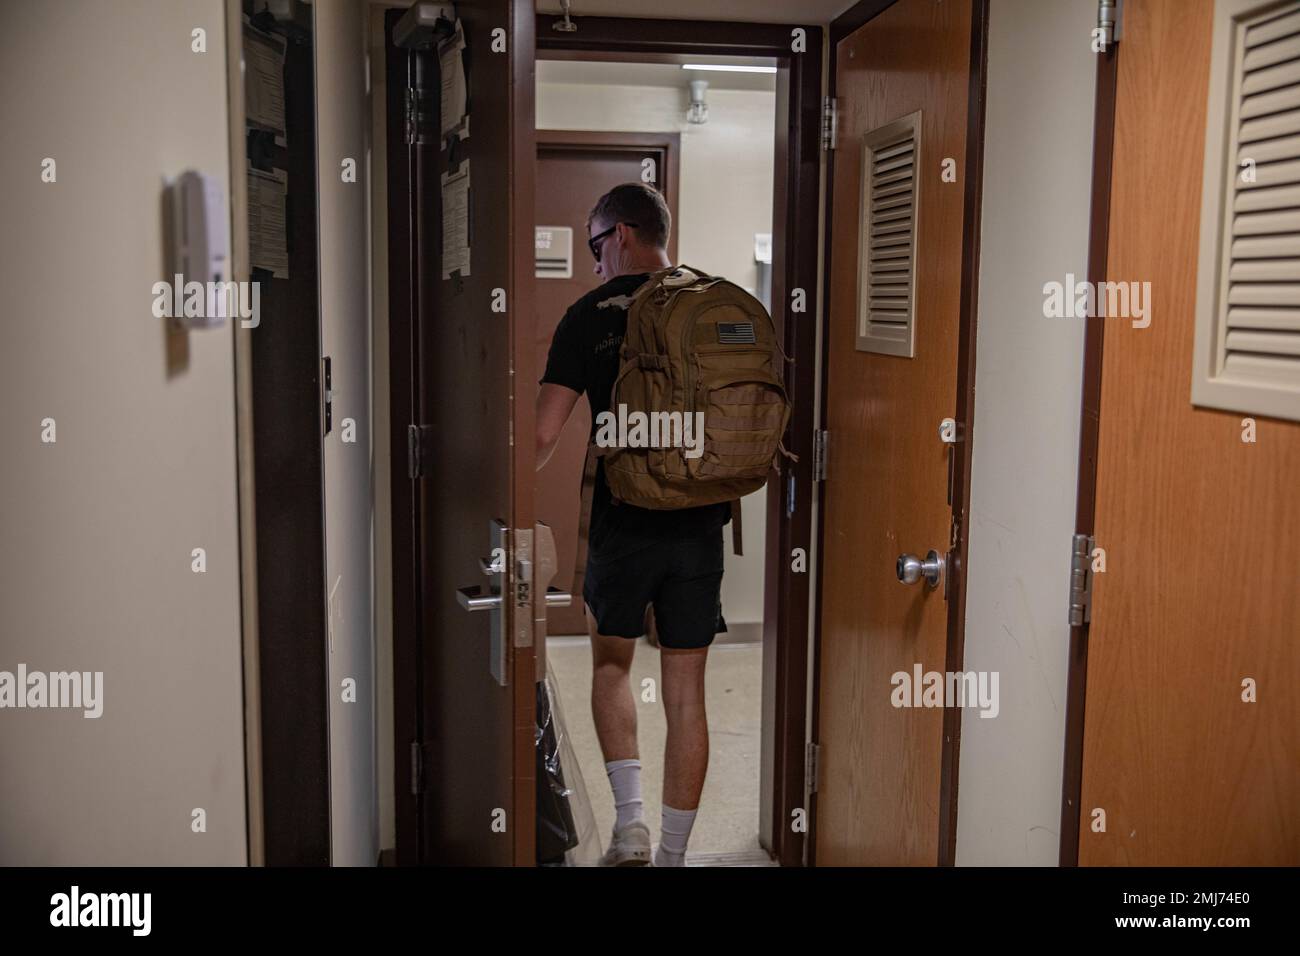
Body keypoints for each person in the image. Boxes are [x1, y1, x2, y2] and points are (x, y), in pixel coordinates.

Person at [535, 182, 729, 867]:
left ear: (621, 234)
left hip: (624, 521)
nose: (593, 264)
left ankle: (633, 828)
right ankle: (674, 858)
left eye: (595, 246)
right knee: (687, 688)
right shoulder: (715, 305)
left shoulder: (589, 315)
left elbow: (541, 435)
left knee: (613, 665)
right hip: (702, 521)